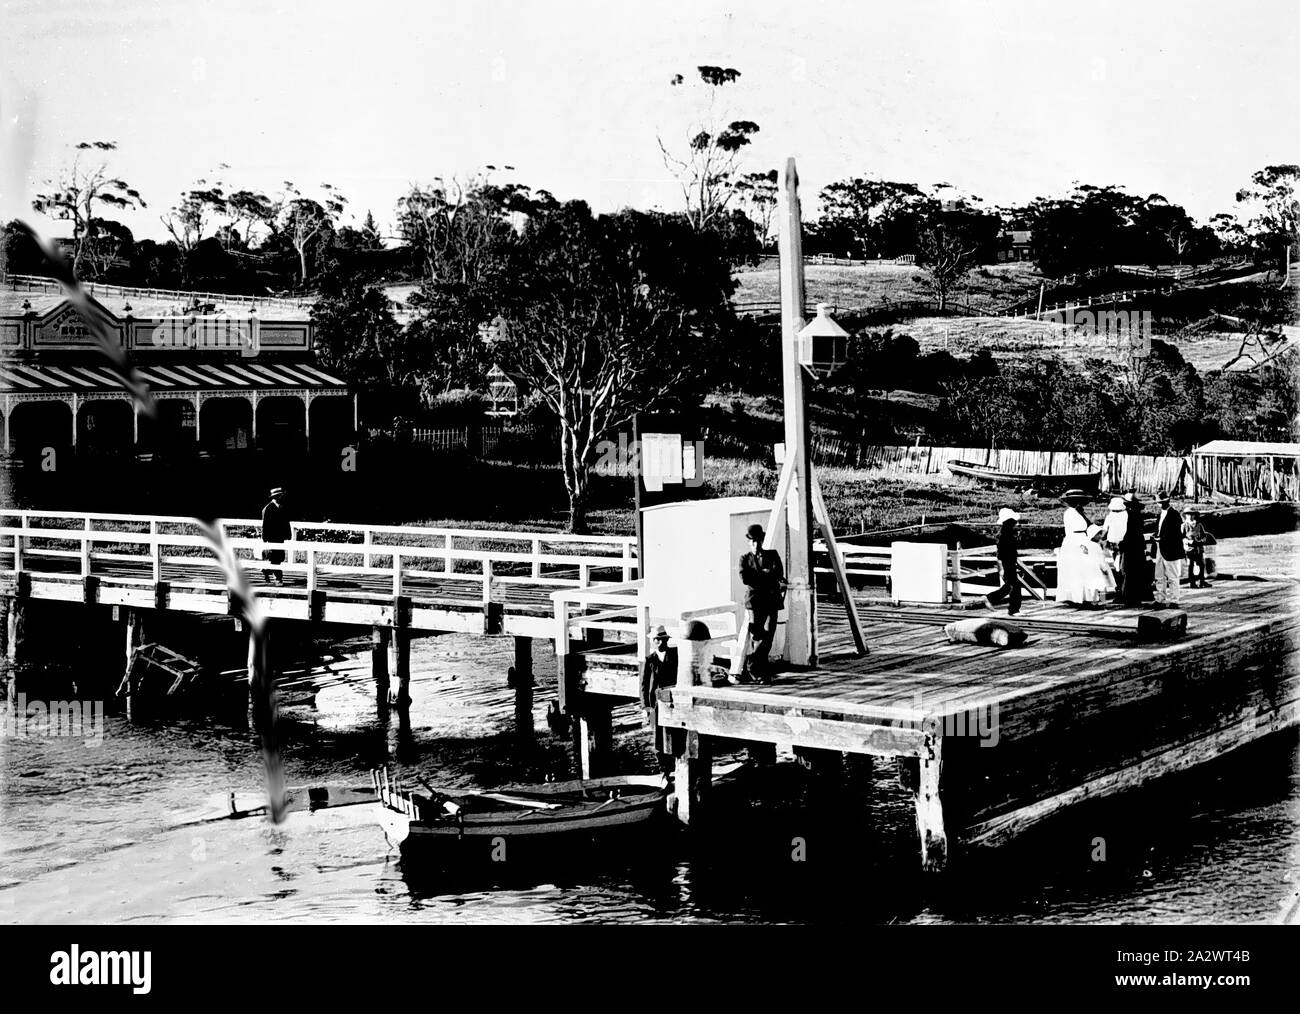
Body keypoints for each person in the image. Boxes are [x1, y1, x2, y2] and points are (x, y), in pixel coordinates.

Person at [738, 523, 785, 683]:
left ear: (762, 540)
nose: (756, 544)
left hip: (771, 600)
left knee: (769, 635)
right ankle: (760, 672)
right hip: (755, 602)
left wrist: (761, 576)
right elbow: (746, 579)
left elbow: (779, 572)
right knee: (757, 635)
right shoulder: (745, 559)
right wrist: (766, 575)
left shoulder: (772, 555)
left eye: (758, 541)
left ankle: (752, 663)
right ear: (749, 542)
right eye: (753, 541)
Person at [1056, 489, 1112, 606]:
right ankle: (1076, 598)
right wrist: (1080, 545)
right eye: (1077, 501)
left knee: (1085, 570)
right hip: (1074, 543)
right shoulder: (1069, 513)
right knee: (1077, 571)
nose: (1079, 504)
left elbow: (1088, 525)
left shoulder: (1079, 512)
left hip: (1083, 539)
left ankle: (1086, 598)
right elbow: (1072, 532)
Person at [640, 626, 678, 773]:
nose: (660, 643)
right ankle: (664, 769)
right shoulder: (650, 660)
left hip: (672, 700)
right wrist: (645, 707)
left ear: (666, 640)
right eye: (657, 640)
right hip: (656, 703)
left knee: (674, 732)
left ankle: (676, 765)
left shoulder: (674, 655)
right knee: (658, 735)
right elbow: (643, 685)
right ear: (653, 642)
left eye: (662, 640)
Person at [984, 507, 1022, 615]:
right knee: (1014, 586)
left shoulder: (1006, 534)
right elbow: (1001, 553)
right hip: (1007, 564)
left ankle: (991, 599)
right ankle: (1013, 609)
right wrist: (1002, 567)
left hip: (1009, 563)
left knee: (1010, 586)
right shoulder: (1005, 536)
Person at [1151, 490, 1185, 605]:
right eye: (1159, 502)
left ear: (1168, 501)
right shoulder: (1160, 514)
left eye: (1162, 502)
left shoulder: (1175, 515)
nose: (1160, 504)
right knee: (1159, 575)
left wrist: (1163, 538)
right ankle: (1160, 599)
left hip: (1171, 549)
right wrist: (1156, 536)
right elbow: (1158, 529)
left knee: (1173, 576)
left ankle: (1174, 600)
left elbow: (1177, 534)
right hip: (1160, 548)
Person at [1118, 491, 1151, 605]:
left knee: (1127, 571)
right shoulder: (1137, 515)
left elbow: (1125, 533)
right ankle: (1136, 596)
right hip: (1137, 546)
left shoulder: (1128, 516)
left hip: (1129, 546)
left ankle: (1128, 597)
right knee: (1137, 571)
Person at [261, 487, 291, 585]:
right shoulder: (268, 508)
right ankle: (278, 578)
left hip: (280, 537)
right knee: (275, 558)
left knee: (279, 557)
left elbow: (286, 522)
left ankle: (266, 570)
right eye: (280, 495)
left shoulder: (282, 507)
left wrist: (288, 534)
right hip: (272, 537)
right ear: (276, 496)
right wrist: (265, 539)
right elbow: (265, 525)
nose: (282, 497)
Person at [1183, 509, 1209, 588]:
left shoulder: (1199, 525)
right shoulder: (1184, 525)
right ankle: (1192, 583)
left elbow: (1204, 535)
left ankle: (1202, 581)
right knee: (1191, 565)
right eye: (1188, 515)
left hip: (1198, 547)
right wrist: (1188, 541)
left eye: (1192, 515)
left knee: (1201, 564)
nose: (1190, 516)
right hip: (1189, 548)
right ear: (1186, 516)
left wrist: (1202, 540)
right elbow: (1181, 537)